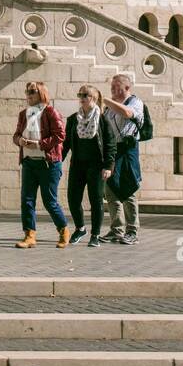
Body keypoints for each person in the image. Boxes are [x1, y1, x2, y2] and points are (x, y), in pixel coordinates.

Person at [13, 81, 69, 249]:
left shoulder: (50, 112)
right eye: (27, 91)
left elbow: (60, 135)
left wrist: (38, 144)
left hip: (48, 163)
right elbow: (15, 135)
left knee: (49, 201)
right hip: (29, 162)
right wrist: (20, 141)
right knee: (27, 199)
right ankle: (29, 235)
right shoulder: (24, 114)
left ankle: (63, 230)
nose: (28, 94)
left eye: (32, 91)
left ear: (41, 93)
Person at [63, 85, 117, 248]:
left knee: (96, 201)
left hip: (97, 166)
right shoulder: (73, 119)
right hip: (78, 165)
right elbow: (66, 144)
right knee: (73, 199)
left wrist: (108, 166)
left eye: (84, 95)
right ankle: (80, 228)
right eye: (80, 94)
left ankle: (95, 234)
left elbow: (110, 144)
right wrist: (58, 160)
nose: (81, 97)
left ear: (93, 98)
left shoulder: (102, 119)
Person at [101, 73, 144, 245]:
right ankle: (116, 229)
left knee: (128, 189)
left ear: (126, 88)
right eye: (111, 86)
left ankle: (132, 231)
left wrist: (105, 100)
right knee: (111, 190)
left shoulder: (135, 102)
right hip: (112, 151)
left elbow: (127, 113)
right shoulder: (109, 107)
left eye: (116, 86)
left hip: (127, 149)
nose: (112, 89)